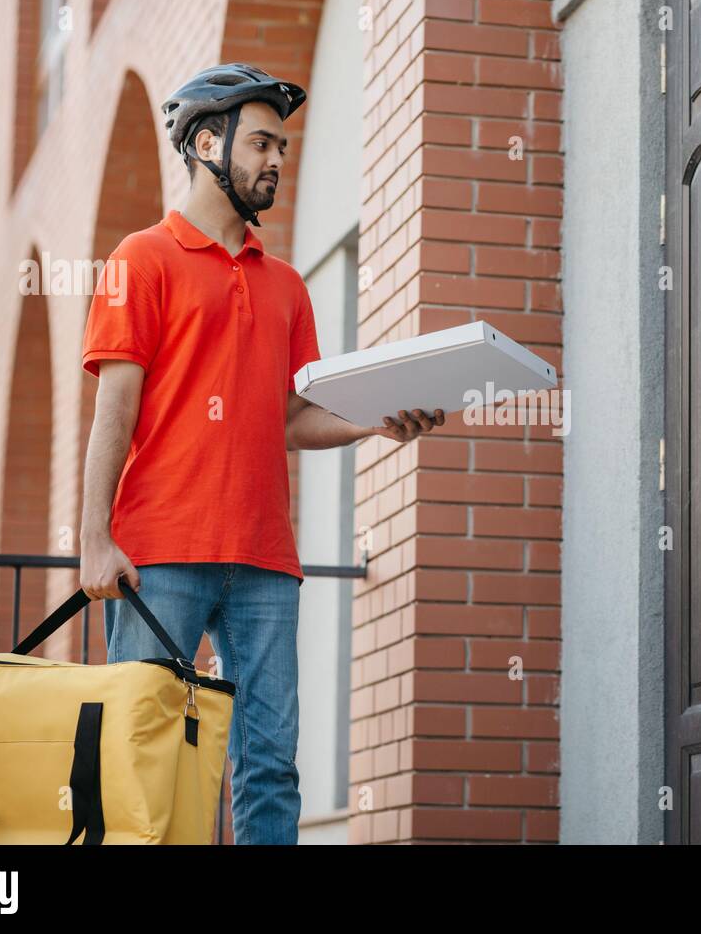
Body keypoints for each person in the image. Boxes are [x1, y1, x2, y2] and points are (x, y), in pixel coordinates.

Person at [78, 63, 444, 844]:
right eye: (263, 143)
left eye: (283, 145)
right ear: (207, 143)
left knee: (270, 763)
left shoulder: (286, 286)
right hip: (157, 559)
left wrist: (376, 419)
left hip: (266, 561)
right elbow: (114, 411)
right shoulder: (140, 259)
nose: (278, 159)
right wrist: (92, 539)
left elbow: (292, 417)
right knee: (144, 761)